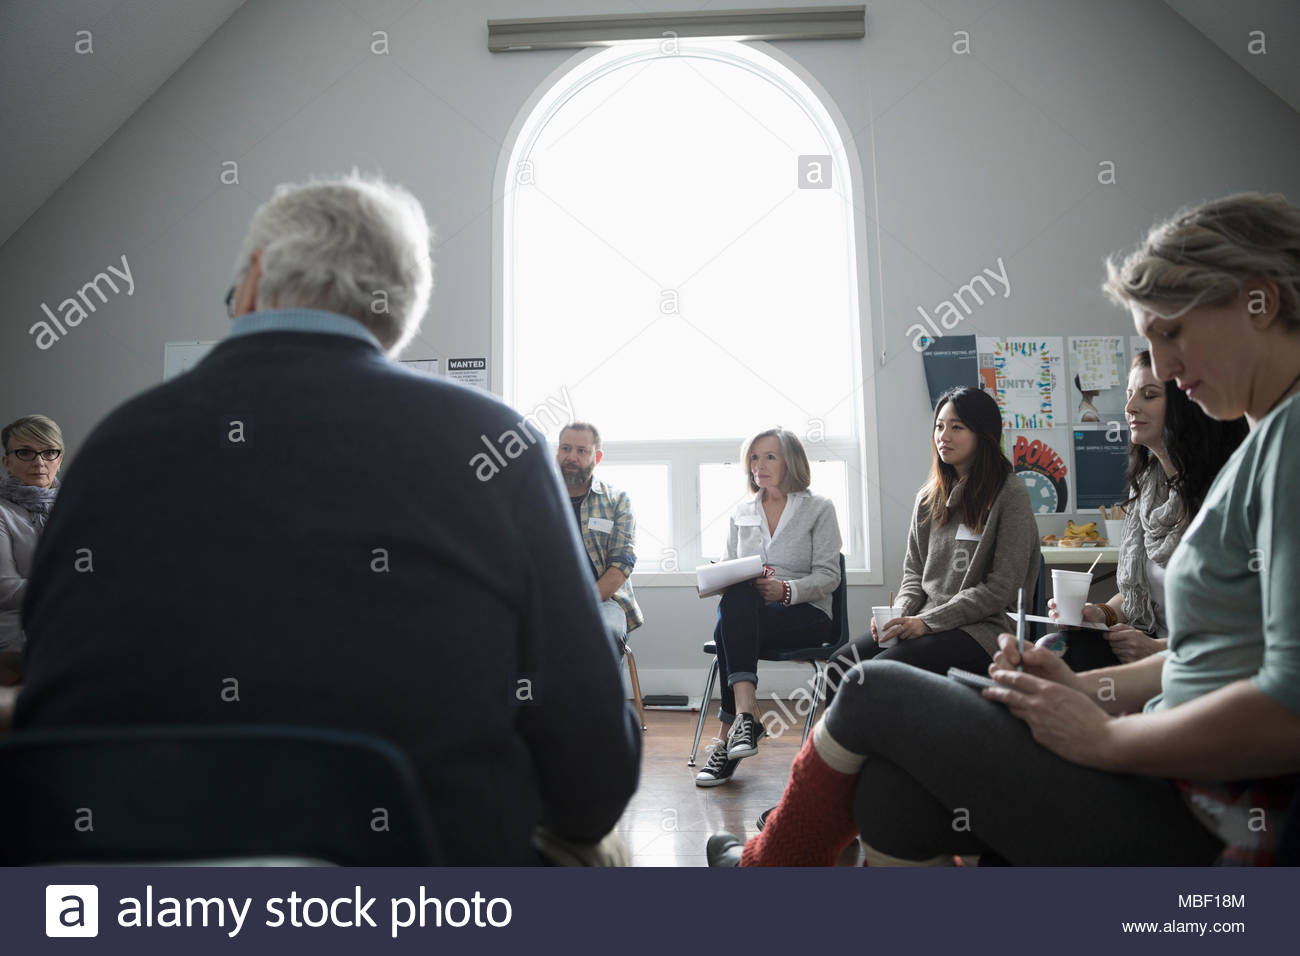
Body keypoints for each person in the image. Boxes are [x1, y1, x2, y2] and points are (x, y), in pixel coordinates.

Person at [13, 173, 641, 865]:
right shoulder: (493, 445)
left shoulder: (111, 445)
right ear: (399, 313)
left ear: (252, 283)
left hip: (129, 885)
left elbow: (52, 709)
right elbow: (593, 773)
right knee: (599, 850)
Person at [707, 191, 1300, 866]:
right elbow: (1211, 659)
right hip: (1173, 769)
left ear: (1262, 300)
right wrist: (1079, 692)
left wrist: (1102, 739)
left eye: (1173, 331)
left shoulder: (1289, 443)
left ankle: (761, 869)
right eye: (1150, 341)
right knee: (891, 792)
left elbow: (1287, 708)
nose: (1160, 366)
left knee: (876, 687)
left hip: (1205, 810)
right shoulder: (1264, 441)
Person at [827, 386, 1040, 694]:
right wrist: (899, 613)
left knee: (878, 674)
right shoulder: (929, 497)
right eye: (939, 426)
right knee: (840, 665)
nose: (944, 436)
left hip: (984, 630)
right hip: (926, 621)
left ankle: (883, 743)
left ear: (984, 434)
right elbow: (914, 575)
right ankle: (832, 745)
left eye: (957, 427)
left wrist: (929, 622)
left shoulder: (1010, 493)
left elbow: (1001, 589)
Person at [1051, 351, 1246, 669]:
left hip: (1203, 661)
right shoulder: (1147, 486)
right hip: (1150, 648)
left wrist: (1157, 650)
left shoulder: (1224, 494)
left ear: (1187, 405)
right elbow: (1137, 598)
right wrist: (1099, 613)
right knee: (1057, 648)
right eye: (1129, 395)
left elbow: (1242, 624)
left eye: (1149, 395)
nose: (1129, 408)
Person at [694, 427, 841, 787]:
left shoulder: (819, 508)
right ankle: (745, 718)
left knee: (727, 628)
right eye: (754, 458)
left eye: (769, 456)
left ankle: (730, 734)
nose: (759, 465)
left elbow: (829, 575)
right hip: (751, 613)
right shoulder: (741, 511)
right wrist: (720, 577)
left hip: (807, 614)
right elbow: (729, 566)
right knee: (738, 597)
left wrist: (785, 590)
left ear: (790, 461)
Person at [555, 422, 643, 653]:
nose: (571, 456)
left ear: (598, 456)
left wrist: (580, 604)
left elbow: (622, 564)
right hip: (547, 599)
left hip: (603, 601)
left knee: (603, 634)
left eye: (581, 450)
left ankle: (595, 691)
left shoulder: (617, 500)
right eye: (565, 448)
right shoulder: (535, 498)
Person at [0, 415, 64, 659]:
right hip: (19, 634)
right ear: (7, 462)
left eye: (49, 452)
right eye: (25, 453)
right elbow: (5, 590)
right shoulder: (3, 513)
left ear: (59, 459)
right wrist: (71, 590)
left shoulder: (78, 506)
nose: (39, 462)